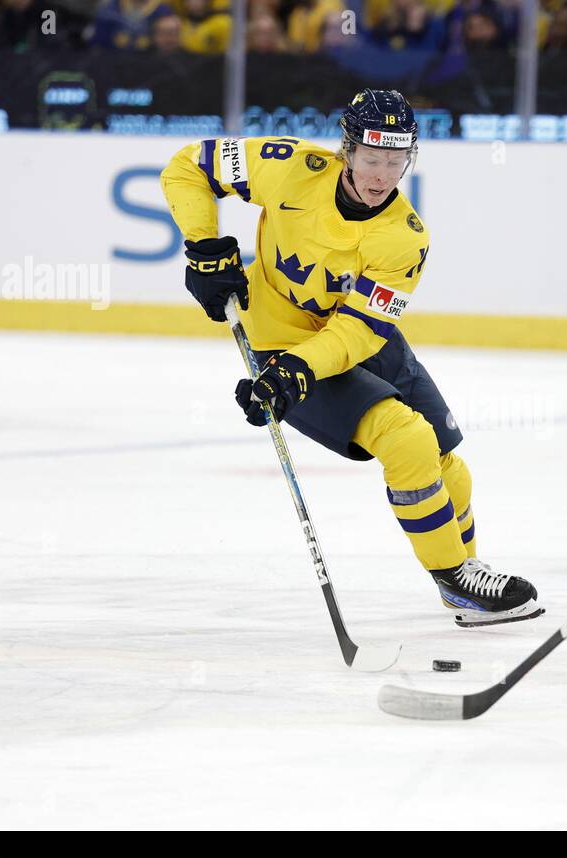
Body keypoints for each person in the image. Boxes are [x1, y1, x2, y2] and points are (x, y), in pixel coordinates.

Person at [159, 89, 543, 626]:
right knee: (406, 438)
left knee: (445, 460)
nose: (382, 175)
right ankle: (454, 577)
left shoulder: (405, 238)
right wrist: (203, 247)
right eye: (372, 158)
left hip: (345, 340)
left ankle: (463, 573)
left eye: (396, 160)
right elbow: (190, 166)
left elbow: (361, 330)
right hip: (281, 343)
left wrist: (302, 370)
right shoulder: (290, 168)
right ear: (347, 149)